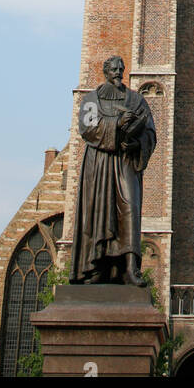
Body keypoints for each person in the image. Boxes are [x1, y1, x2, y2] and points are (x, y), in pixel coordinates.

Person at [70, 55, 156, 286]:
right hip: (98, 163)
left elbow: (150, 131)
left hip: (125, 161)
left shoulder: (136, 100)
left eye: (121, 69)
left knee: (129, 208)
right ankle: (96, 265)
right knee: (98, 210)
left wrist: (137, 143)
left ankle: (130, 268)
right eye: (114, 69)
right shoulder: (91, 100)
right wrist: (117, 124)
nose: (118, 72)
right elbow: (87, 129)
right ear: (105, 71)